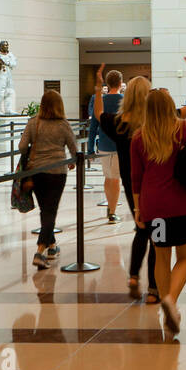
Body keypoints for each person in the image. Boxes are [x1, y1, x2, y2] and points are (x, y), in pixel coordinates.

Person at [131, 88, 186, 334]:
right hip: (182, 204)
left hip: (154, 206)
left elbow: (136, 178)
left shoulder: (139, 137)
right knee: (184, 258)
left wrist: (137, 208)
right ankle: (170, 300)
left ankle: (168, 315)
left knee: (161, 257)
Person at [95, 69, 158, 303]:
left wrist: (97, 89)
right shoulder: (154, 121)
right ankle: (153, 288)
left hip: (132, 185)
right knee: (155, 235)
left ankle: (133, 276)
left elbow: (99, 113)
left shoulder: (119, 123)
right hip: (154, 183)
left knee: (141, 229)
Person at [19, 89, 79, 269]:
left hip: (36, 171)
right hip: (57, 172)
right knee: (50, 210)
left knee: (46, 209)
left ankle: (52, 246)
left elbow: (22, 146)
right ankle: (39, 251)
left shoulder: (33, 123)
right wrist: (72, 161)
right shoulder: (63, 124)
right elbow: (74, 149)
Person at [89, 70, 125, 223]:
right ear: (120, 82)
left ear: (107, 83)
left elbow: (93, 126)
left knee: (108, 176)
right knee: (115, 179)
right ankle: (112, 211)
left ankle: (110, 206)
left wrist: (90, 148)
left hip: (103, 144)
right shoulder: (125, 100)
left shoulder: (100, 100)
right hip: (119, 145)